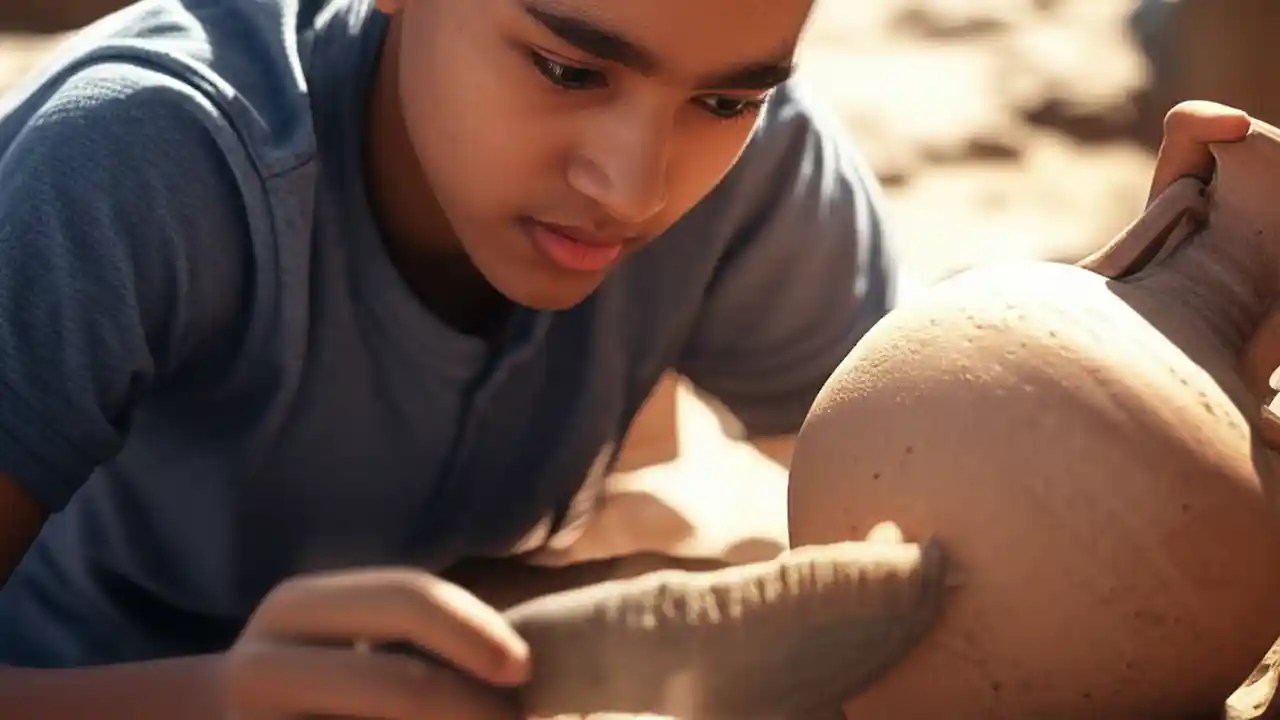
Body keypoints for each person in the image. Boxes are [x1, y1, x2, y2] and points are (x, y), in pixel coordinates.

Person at [0, 0, 1252, 715]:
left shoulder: (756, 176)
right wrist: (219, 703)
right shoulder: (142, 161)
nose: (632, 185)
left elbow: (961, 495)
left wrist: (1140, 297)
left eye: (725, 98)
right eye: (565, 67)